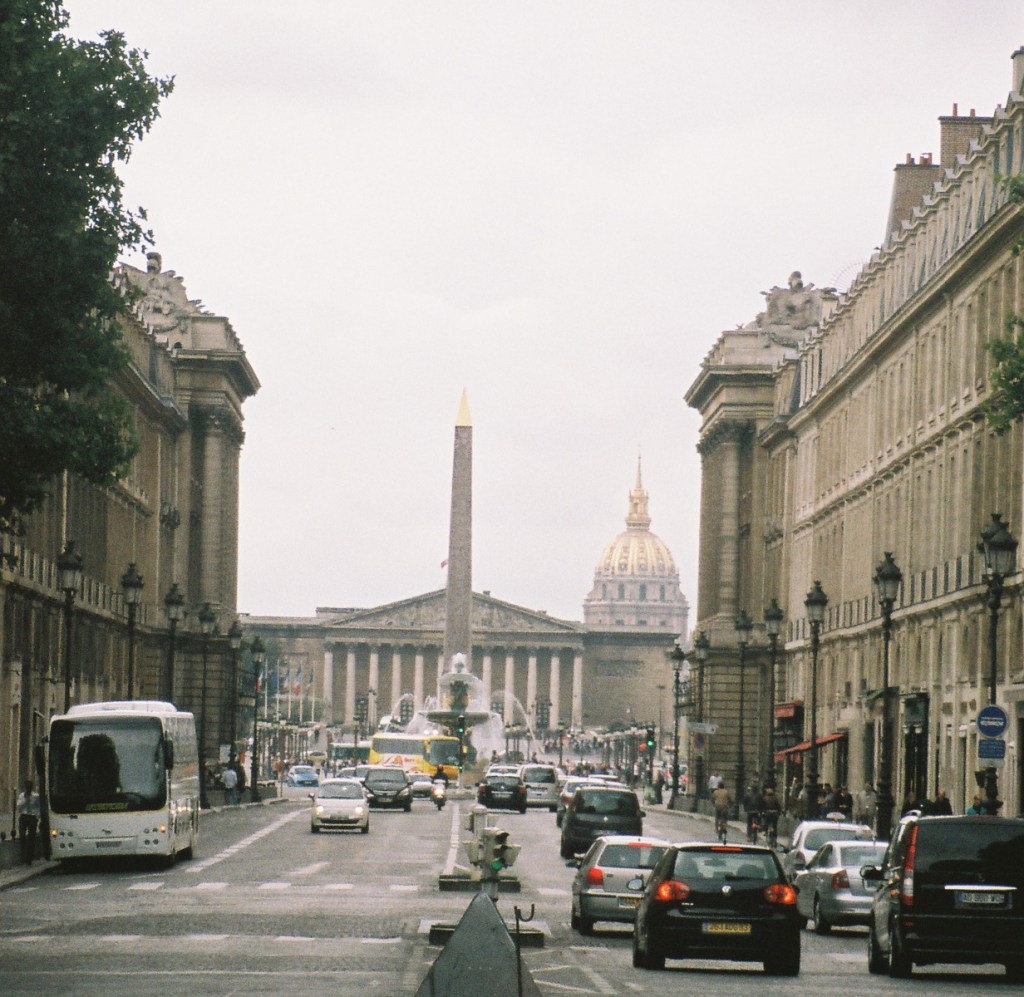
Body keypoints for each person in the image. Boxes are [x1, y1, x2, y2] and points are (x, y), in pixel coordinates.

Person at [16, 780, 41, 865]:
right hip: (24, 816)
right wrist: (25, 800)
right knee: (22, 835)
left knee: (31, 838)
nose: (28, 789)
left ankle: (29, 858)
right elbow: (18, 807)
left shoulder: (36, 796)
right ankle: (23, 854)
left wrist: (37, 816)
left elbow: (38, 807)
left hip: (32, 817)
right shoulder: (22, 796)